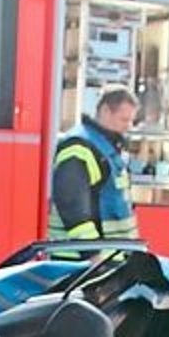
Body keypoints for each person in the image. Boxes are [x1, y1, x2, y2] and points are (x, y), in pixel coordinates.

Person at [49, 87, 139, 245]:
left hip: (110, 255)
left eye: (132, 121)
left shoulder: (107, 147)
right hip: (83, 260)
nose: (129, 126)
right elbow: (71, 204)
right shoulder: (78, 147)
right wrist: (92, 252)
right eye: (124, 120)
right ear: (105, 111)